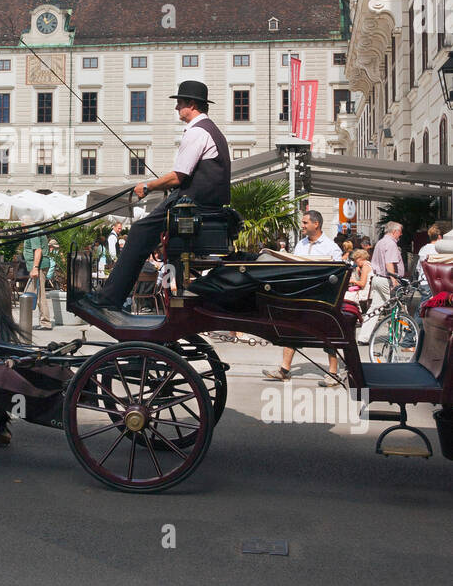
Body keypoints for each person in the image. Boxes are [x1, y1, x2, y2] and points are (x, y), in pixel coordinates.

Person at [86, 79, 231, 311]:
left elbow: (178, 177)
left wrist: (148, 186)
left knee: (138, 232)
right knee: (145, 234)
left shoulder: (197, 132)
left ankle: (109, 299)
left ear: (192, 105)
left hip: (192, 205)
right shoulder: (211, 130)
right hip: (201, 202)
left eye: (180, 103)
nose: (176, 108)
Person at [263, 210, 343, 382]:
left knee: (327, 332)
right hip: (300, 294)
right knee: (292, 329)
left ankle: (333, 373)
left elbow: (338, 273)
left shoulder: (331, 247)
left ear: (316, 224)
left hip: (322, 297)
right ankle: (284, 370)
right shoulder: (301, 244)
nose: (303, 226)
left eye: (306, 223)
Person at [357, 221, 405, 344]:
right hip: (386, 279)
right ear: (395, 232)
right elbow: (389, 262)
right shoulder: (391, 243)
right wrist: (394, 280)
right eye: (400, 232)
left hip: (378, 278)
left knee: (375, 308)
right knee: (398, 307)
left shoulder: (380, 242)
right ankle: (404, 336)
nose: (401, 234)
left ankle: (363, 337)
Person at [20, 214, 53, 330]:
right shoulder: (36, 230)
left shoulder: (32, 231)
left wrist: (35, 268)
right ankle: (25, 322)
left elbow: (38, 251)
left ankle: (45, 323)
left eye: (21, 226)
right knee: (28, 294)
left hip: (38, 267)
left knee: (39, 295)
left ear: (24, 225)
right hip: (38, 266)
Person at [417, 222, 452, 303]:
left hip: (423, 281)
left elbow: (418, 267)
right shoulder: (439, 250)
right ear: (440, 237)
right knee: (425, 308)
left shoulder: (423, 248)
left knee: (424, 306)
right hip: (433, 283)